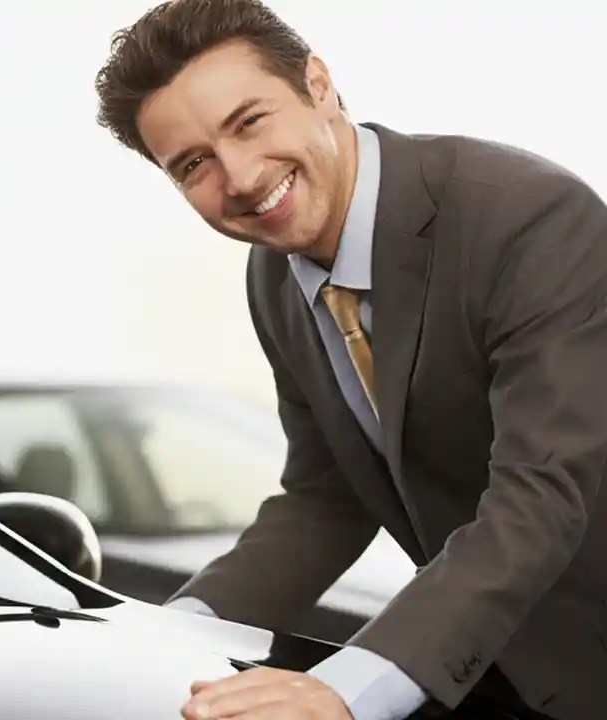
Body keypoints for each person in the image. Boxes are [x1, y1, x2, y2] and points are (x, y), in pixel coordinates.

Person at [92, 2, 607, 719]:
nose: (240, 177)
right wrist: (175, 633)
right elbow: (327, 497)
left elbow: (543, 493)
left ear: (319, 84)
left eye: (249, 122)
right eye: (194, 164)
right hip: (496, 672)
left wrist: (347, 689)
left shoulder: (528, 219)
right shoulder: (273, 274)